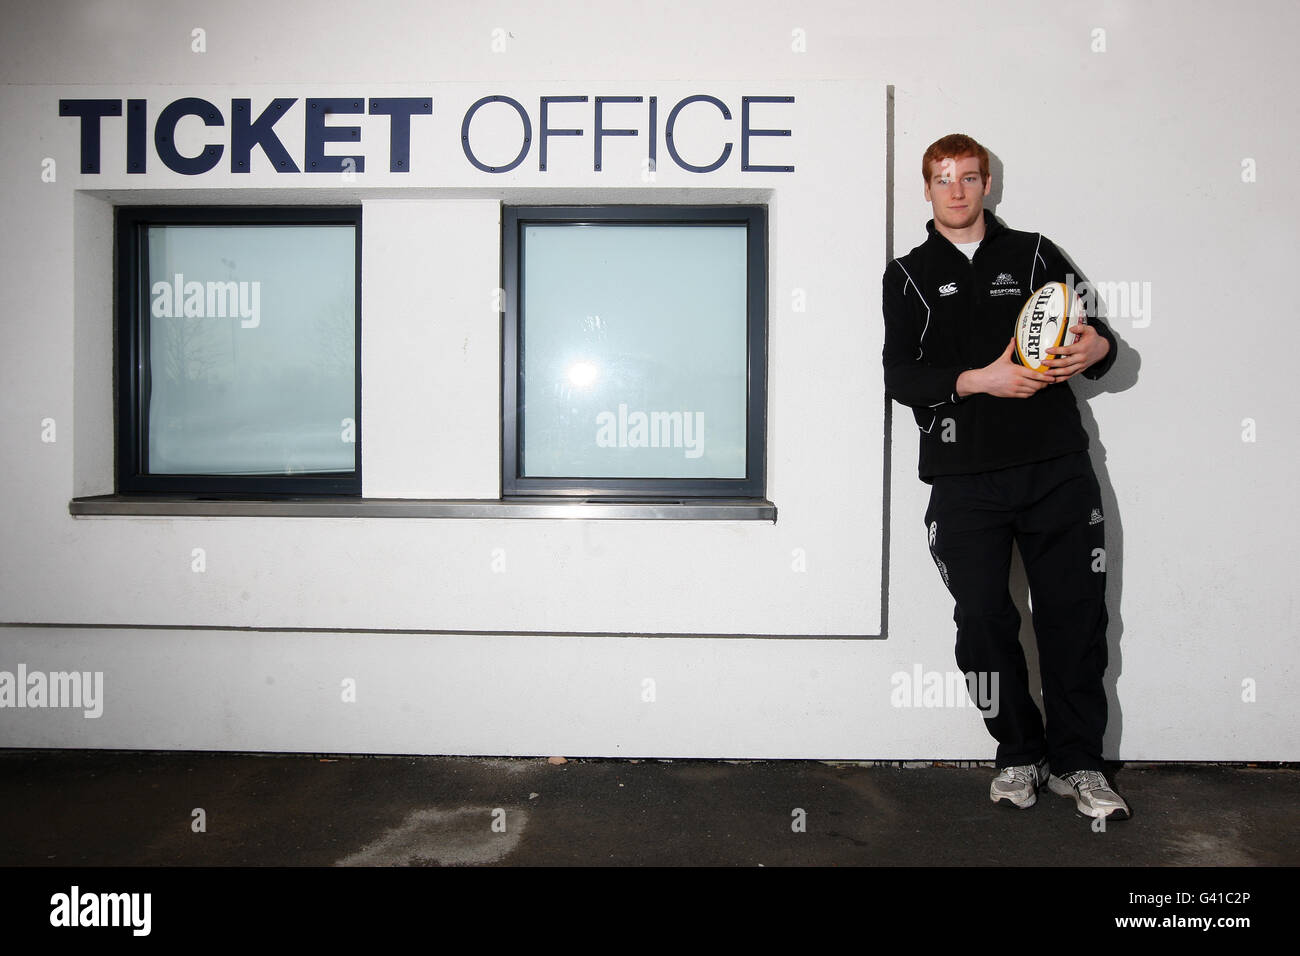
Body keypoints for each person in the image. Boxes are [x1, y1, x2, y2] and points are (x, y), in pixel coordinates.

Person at [881, 133, 1129, 821]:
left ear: (987, 184)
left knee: (1073, 621)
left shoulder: (1034, 254)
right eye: (941, 179)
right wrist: (979, 380)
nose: (955, 190)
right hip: (964, 482)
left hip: (1056, 473)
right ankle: (1020, 752)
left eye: (967, 177)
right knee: (983, 622)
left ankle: (1079, 763)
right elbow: (900, 376)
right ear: (926, 190)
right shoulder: (905, 274)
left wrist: (1097, 346)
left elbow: (1100, 336)